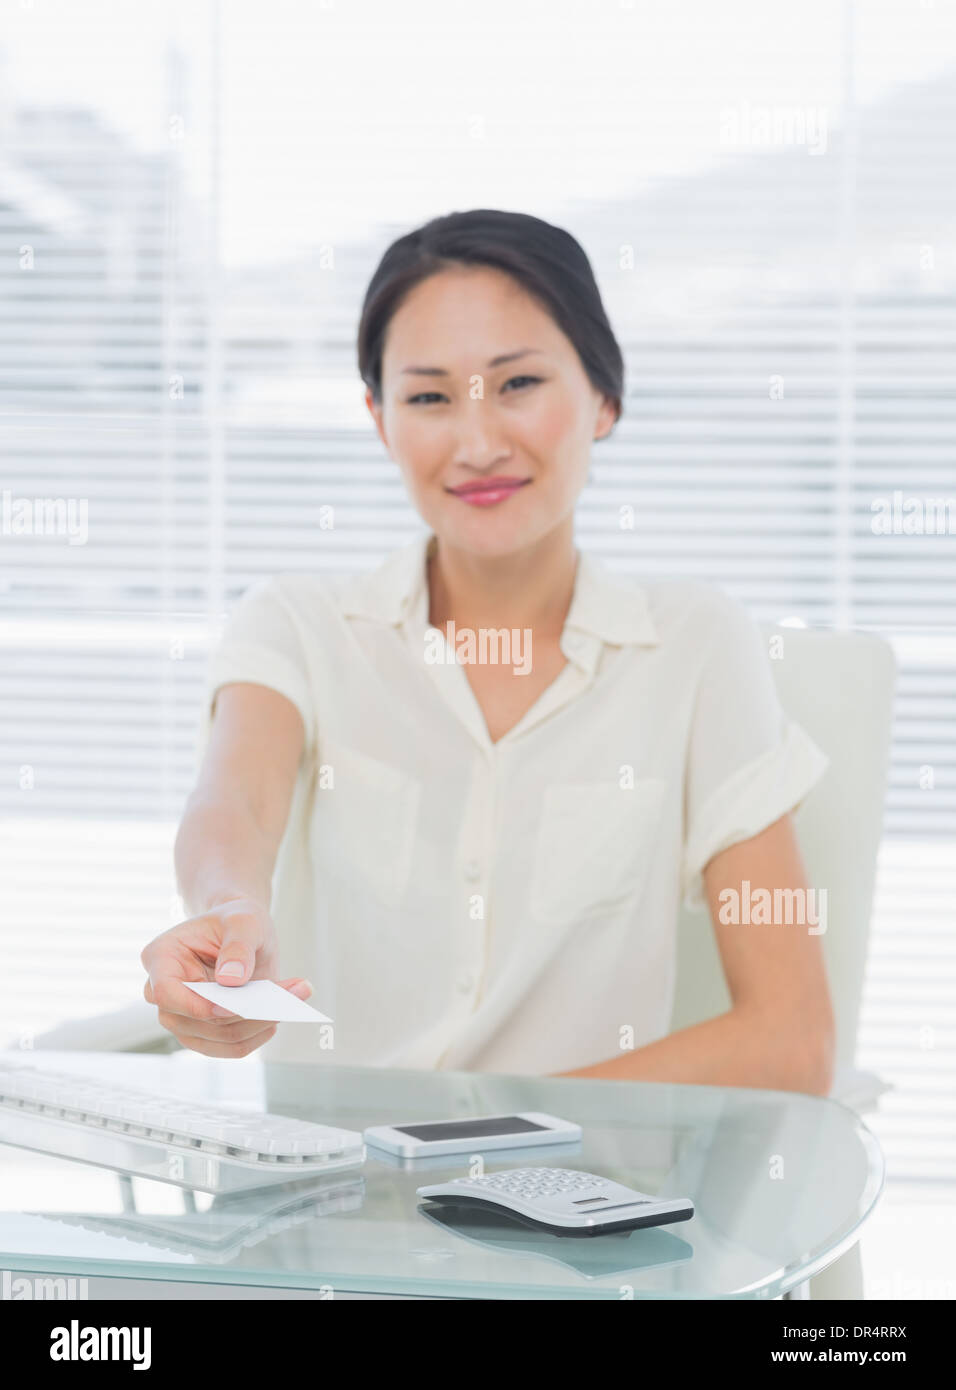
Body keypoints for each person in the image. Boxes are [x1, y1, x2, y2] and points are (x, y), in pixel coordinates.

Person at [141, 208, 835, 1093]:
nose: (477, 444)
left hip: (579, 1202)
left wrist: (482, 1136)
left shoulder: (695, 646)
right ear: (380, 421)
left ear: (604, 397)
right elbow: (233, 802)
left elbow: (791, 1040)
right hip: (328, 1206)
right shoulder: (300, 625)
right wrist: (228, 915)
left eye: (518, 385)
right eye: (429, 397)